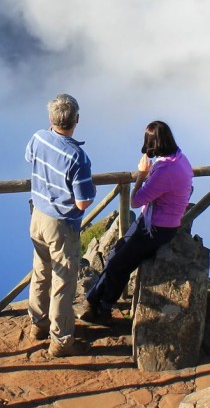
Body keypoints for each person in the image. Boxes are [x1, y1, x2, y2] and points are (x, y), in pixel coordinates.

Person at [82, 120, 193, 323]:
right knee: (115, 255)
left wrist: (141, 174)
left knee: (118, 265)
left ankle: (103, 307)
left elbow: (135, 201)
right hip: (156, 221)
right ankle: (93, 301)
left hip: (156, 228)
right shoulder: (180, 159)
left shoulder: (165, 171)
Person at [25, 93, 95, 357]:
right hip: (61, 224)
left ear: (50, 119)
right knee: (64, 282)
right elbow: (83, 202)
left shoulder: (38, 138)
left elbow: (29, 158)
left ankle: (38, 326)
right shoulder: (78, 157)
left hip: (37, 216)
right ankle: (62, 341)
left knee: (41, 272)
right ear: (76, 120)